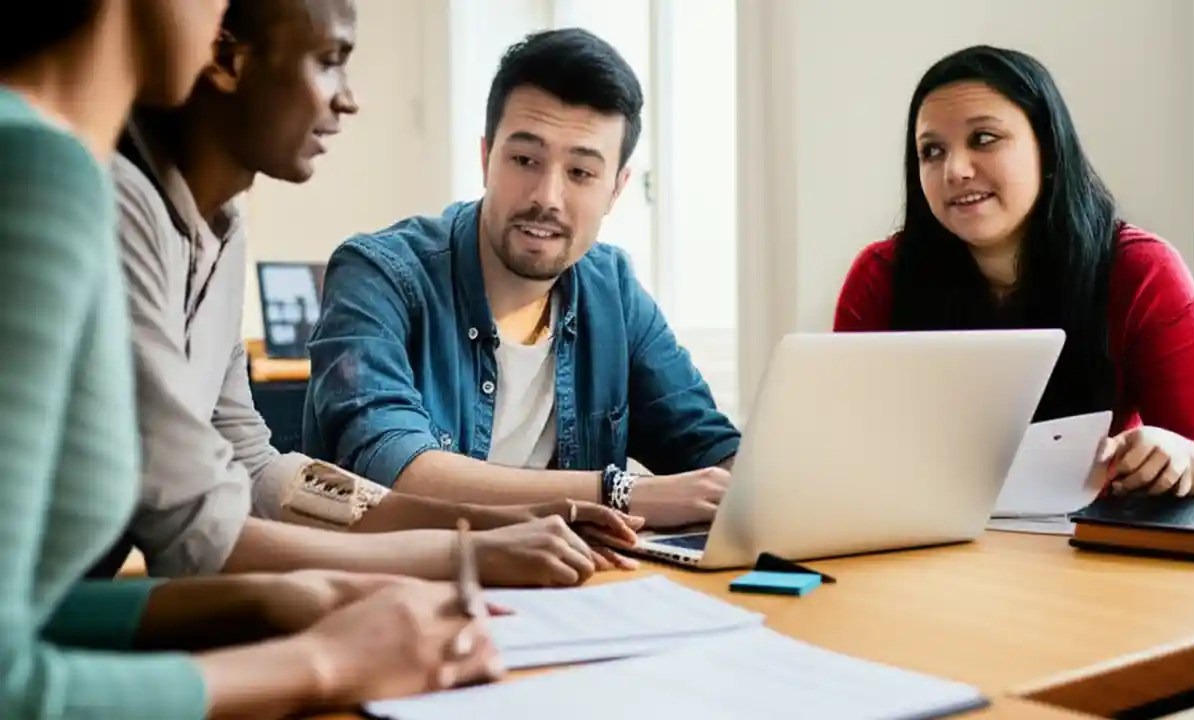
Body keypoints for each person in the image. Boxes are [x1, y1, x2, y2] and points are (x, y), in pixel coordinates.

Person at [0, 2, 501, 719]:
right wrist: (323, 662)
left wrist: (290, 593)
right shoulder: (45, 169)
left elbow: (29, 612)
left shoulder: (217, 225)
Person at [99, 0, 641, 588]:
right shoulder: (119, 206)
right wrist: (462, 553)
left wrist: (491, 523)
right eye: (330, 62)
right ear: (228, 57)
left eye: (582, 172)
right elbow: (195, 535)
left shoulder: (221, 224)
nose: (348, 100)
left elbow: (251, 464)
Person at [304, 28, 740, 529]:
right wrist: (616, 492)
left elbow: (706, 446)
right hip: (406, 588)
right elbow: (392, 468)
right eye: (525, 160)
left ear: (616, 189)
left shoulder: (613, 290)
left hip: (569, 591)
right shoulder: (378, 275)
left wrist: (774, 489)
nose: (547, 196)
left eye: (581, 173)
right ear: (486, 157)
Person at [832, 45, 1194, 500]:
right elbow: (844, 451)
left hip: (1090, 548)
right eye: (932, 151)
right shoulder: (880, 276)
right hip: (923, 543)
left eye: (983, 139)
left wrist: (1181, 456)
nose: (956, 170)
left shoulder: (1140, 270)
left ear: (1047, 147)